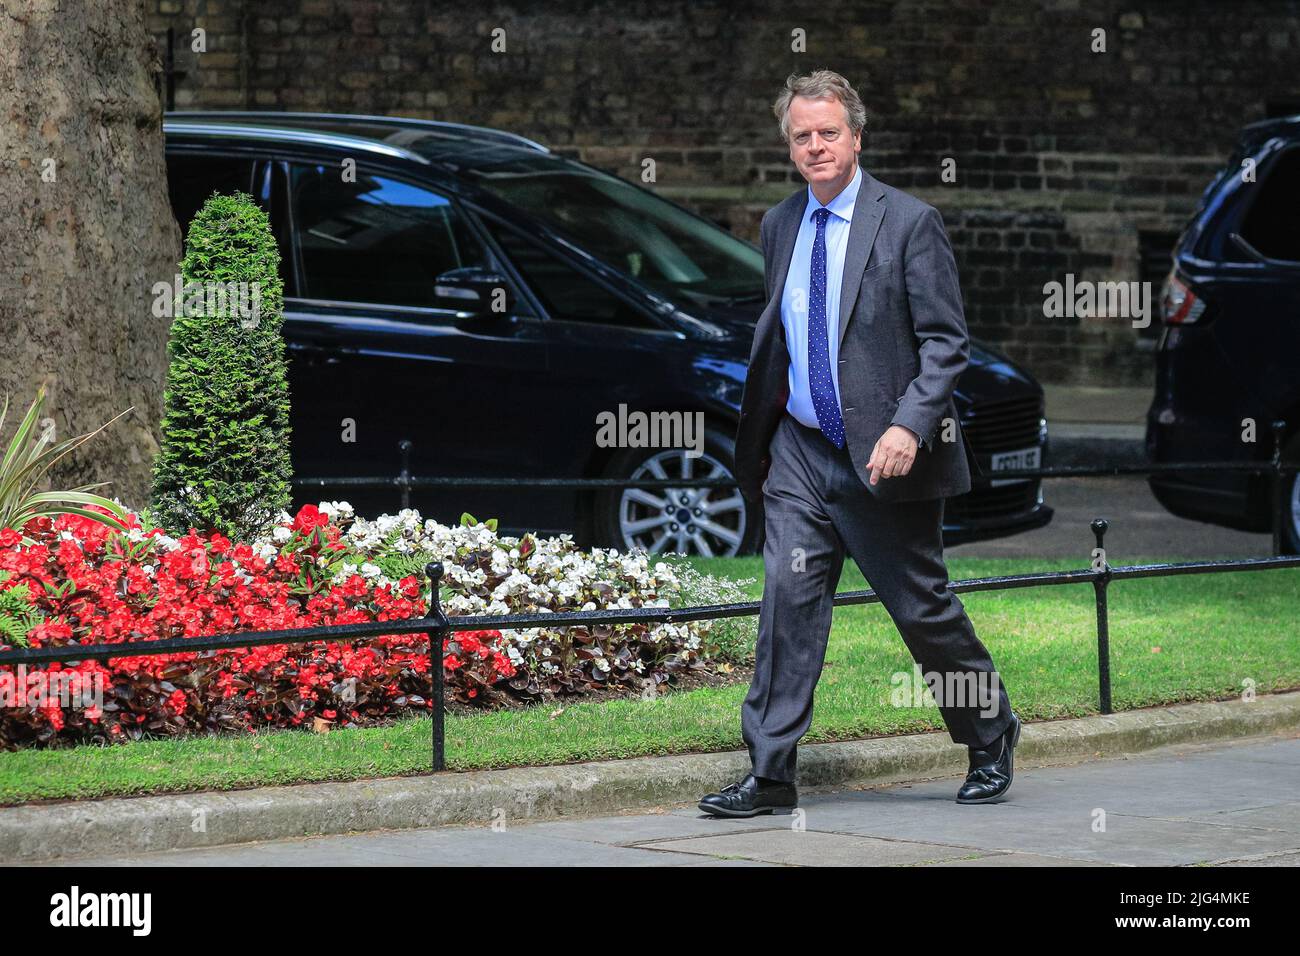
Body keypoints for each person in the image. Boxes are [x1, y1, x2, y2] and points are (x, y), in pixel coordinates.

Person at [698, 69, 1022, 818]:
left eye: (828, 133)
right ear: (790, 146)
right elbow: (785, 338)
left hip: (884, 457)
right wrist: (772, 437)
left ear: (857, 137)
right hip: (802, 455)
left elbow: (945, 343)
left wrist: (911, 424)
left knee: (921, 608)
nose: (816, 146)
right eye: (802, 136)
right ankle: (771, 772)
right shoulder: (781, 223)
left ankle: (990, 730)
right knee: (786, 603)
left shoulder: (909, 222)